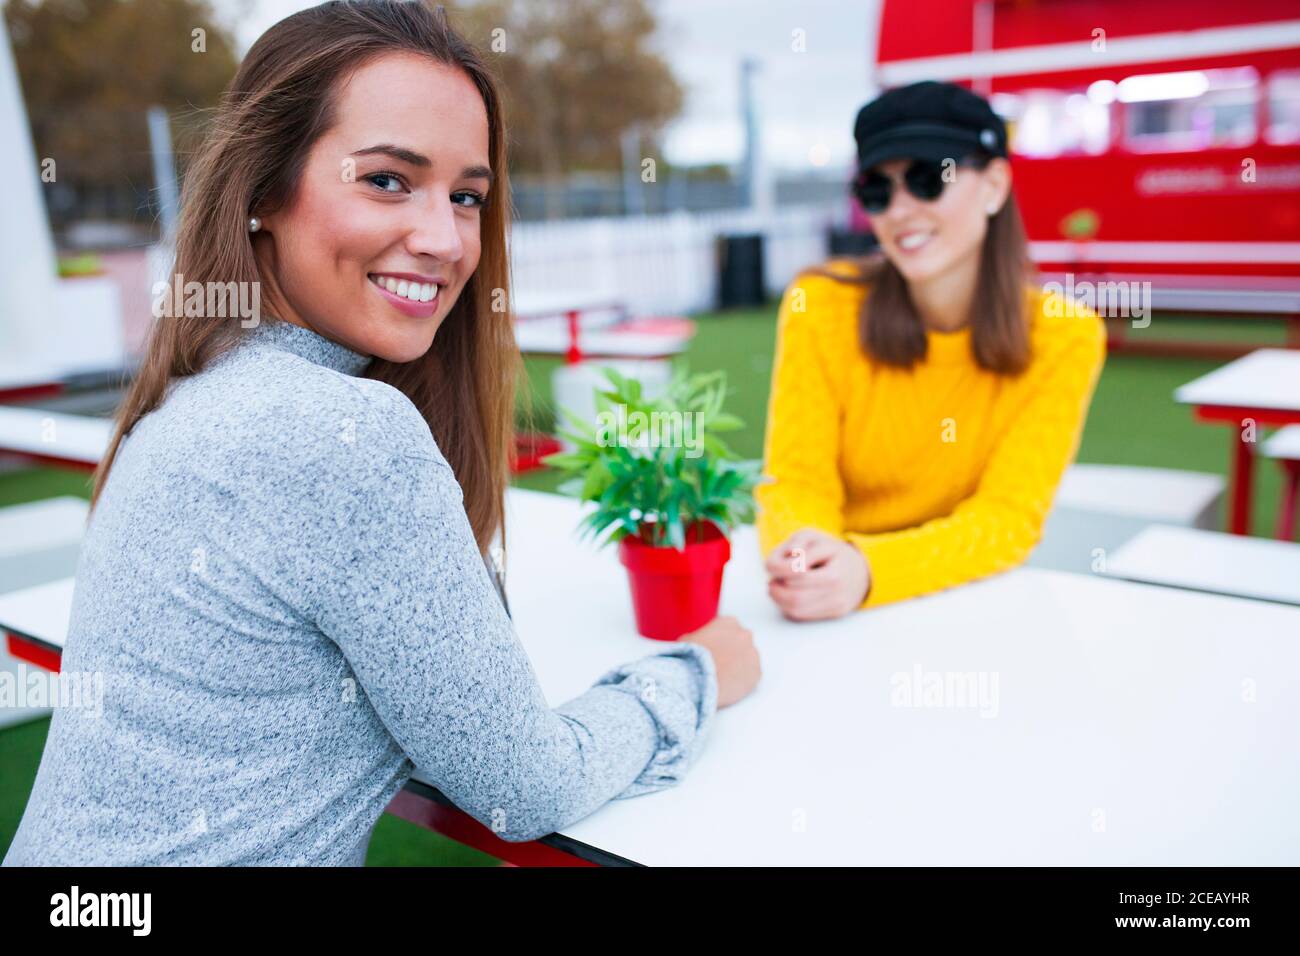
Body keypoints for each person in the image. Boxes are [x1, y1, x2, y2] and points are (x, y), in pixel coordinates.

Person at [4, 0, 758, 867]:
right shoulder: (343, 434)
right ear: (262, 192)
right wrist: (696, 670)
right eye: (387, 180)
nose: (443, 239)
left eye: (467, 196)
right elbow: (528, 786)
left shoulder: (185, 396)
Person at [758, 80, 1107, 620]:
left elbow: (1007, 517)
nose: (899, 210)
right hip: (829, 604)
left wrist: (869, 570)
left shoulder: (1065, 336)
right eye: (877, 189)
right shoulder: (819, 304)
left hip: (961, 601)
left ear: (994, 186)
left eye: (928, 179)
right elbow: (797, 479)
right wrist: (809, 552)